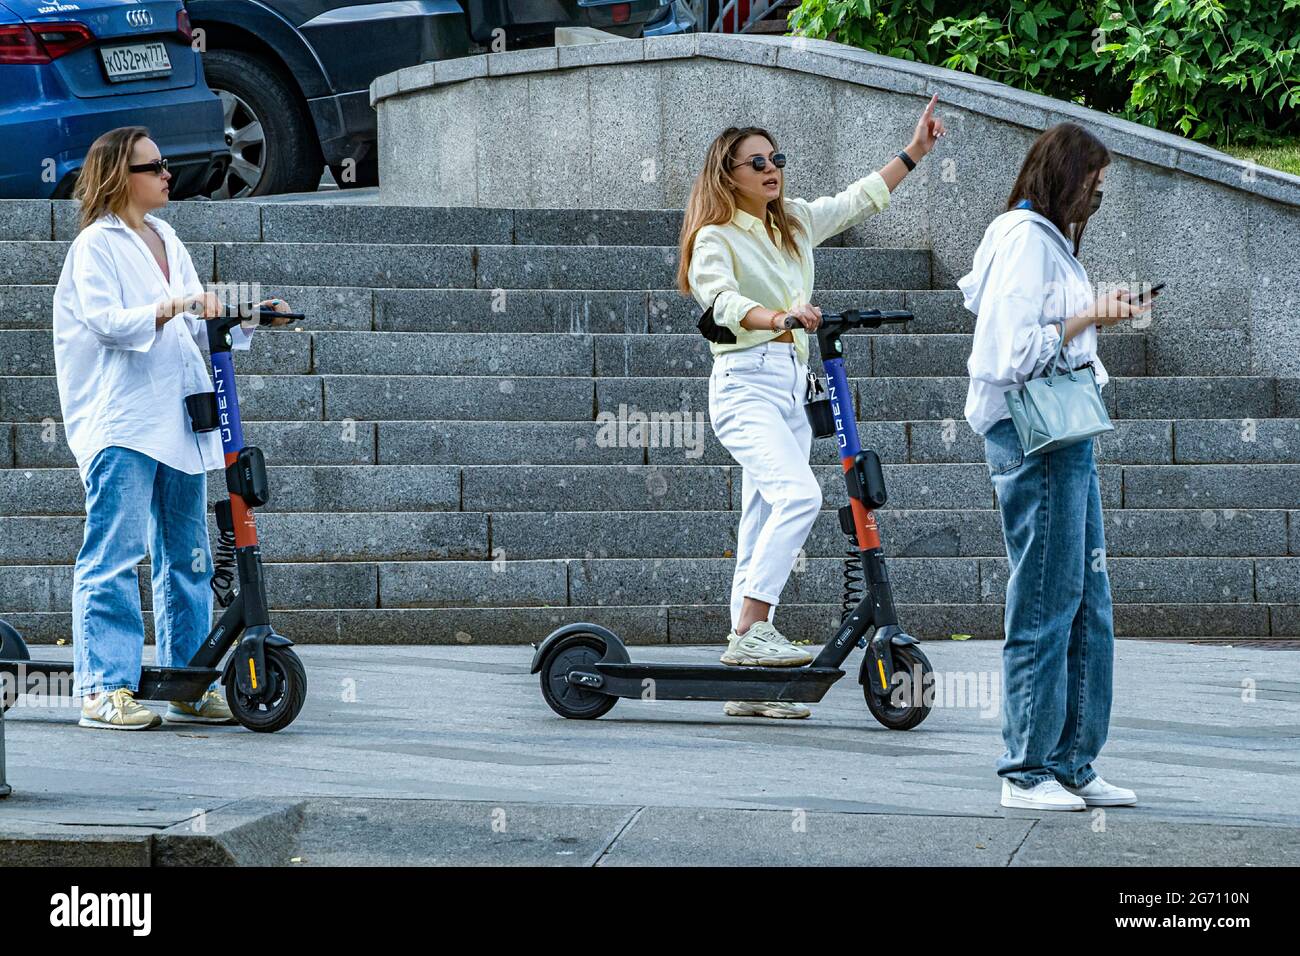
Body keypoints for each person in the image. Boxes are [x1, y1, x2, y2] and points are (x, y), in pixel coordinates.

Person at [676, 95, 947, 719]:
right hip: (743, 383)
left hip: (791, 387)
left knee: (760, 514)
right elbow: (716, 301)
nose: (772, 168)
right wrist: (778, 317)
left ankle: (750, 688)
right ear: (729, 175)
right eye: (757, 161)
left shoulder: (792, 221)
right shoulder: (716, 237)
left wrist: (915, 152)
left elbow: (856, 200)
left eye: (776, 158)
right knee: (800, 496)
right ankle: (751, 628)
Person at [53, 126, 293, 730]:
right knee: (113, 555)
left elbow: (194, 321)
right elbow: (109, 322)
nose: (168, 173)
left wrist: (247, 316)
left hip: (181, 423)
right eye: (154, 166)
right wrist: (179, 305)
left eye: (164, 163)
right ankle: (102, 689)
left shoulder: (166, 236)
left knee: (185, 558)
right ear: (119, 177)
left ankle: (189, 681)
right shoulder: (95, 246)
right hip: (125, 422)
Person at [960, 122, 1151, 809]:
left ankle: (1072, 760)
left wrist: (1094, 313)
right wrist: (1090, 315)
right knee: (1046, 601)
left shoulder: (1039, 241)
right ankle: (1026, 770)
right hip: (1033, 436)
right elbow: (1006, 355)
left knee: (1086, 602)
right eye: (1092, 186)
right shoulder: (1024, 243)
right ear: (1064, 177)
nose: (1096, 200)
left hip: (1064, 434)